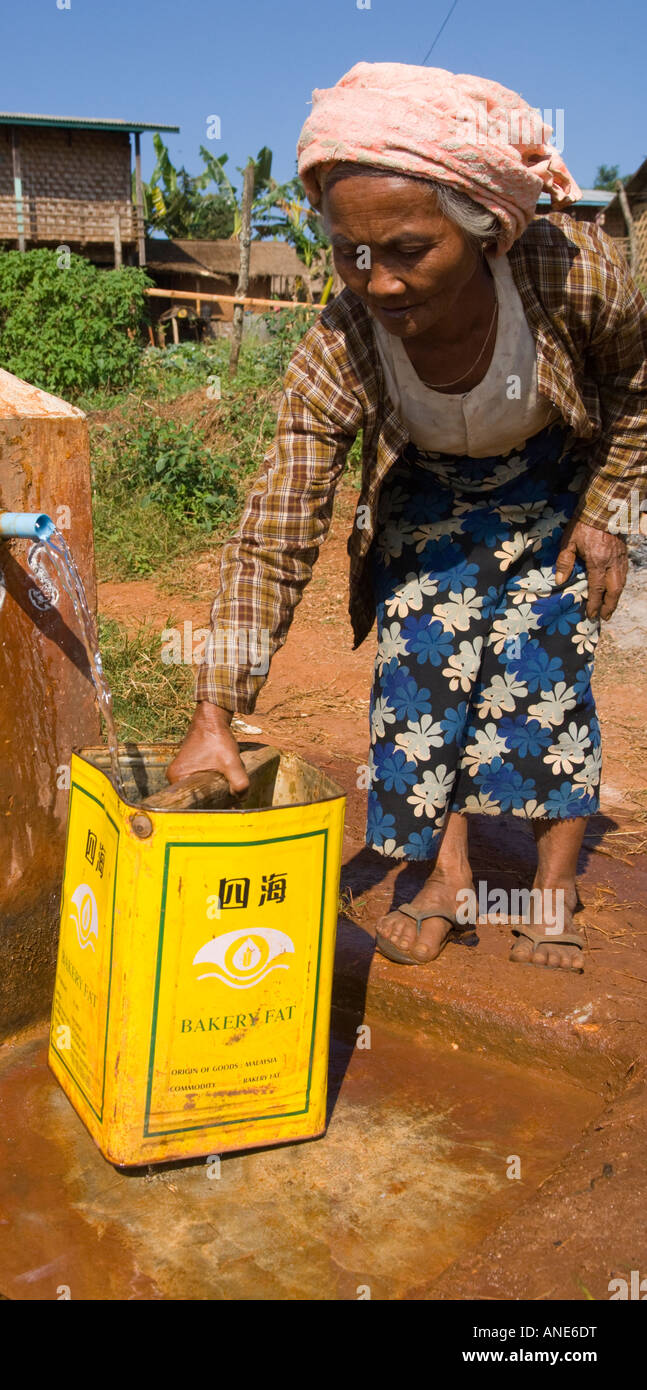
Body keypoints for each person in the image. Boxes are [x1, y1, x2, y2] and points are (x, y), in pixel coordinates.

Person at [166, 61, 647, 973]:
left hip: (554, 479)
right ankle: (448, 875)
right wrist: (215, 706)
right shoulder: (342, 341)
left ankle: (550, 883)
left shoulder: (573, 276)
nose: (377, 281)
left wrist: (607, 512)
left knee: (544, 669)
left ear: (484, 231)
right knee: (422, 676)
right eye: (352, 251)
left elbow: (634, 388)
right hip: (427, 492)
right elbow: (275, 525)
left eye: (408, 251)